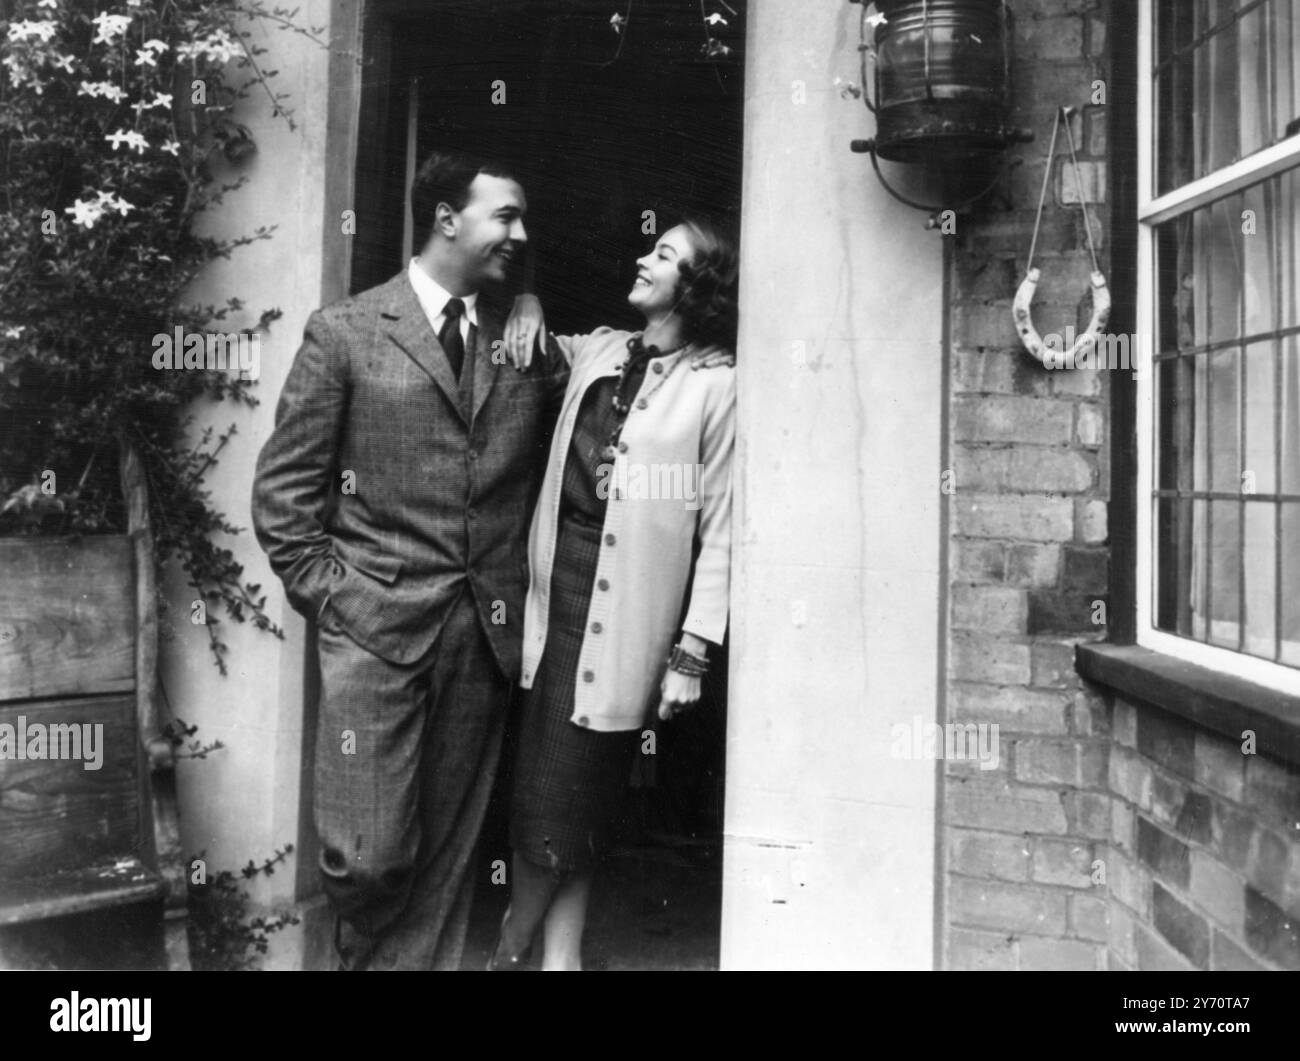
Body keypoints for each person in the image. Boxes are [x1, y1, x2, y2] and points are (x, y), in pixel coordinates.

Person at [250, 151, 568, 970]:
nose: (521, 233)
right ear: (446, 219)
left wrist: (533, 301)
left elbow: (614, 371)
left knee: (445, 862)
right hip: (375, 633)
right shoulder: (346, 332)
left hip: (481, 637)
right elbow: (284, 499)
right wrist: (343, 602)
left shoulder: (523, 338)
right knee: (370, 853)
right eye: (506, 215)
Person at [490, 217, 739, 970]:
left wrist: (692, 653)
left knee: (558, 807)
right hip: (550, 607)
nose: (641, 256)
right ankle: (559, 963)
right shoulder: (598, 349)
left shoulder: (717, 384)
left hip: (626, 622)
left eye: (663, 253)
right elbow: (523, 349)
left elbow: (724, 527)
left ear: (693, 287)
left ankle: (506, 951)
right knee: (566, 805)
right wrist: (526, 300)